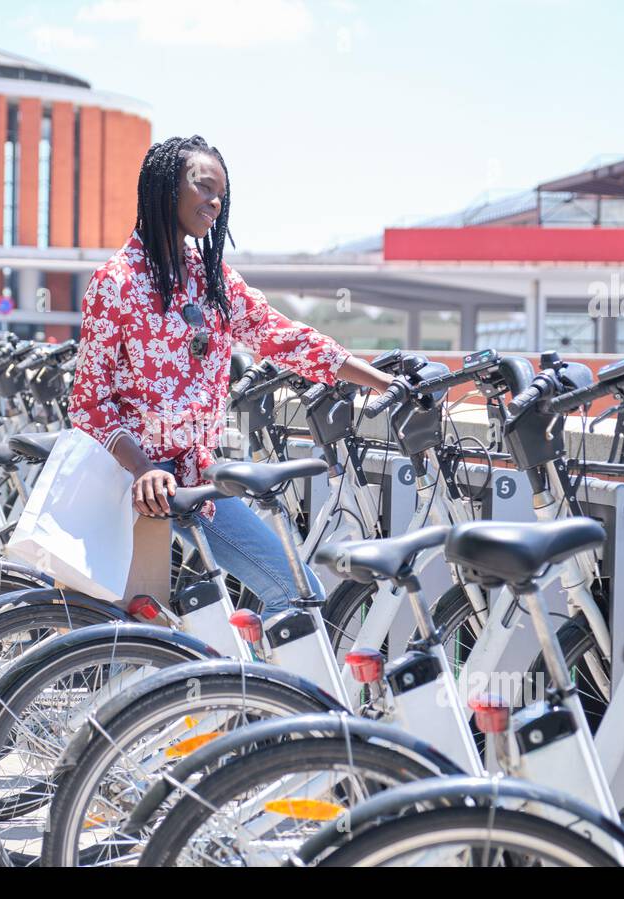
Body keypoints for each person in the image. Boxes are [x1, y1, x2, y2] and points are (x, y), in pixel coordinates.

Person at [68, 134, 394, 617]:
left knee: (296, 594)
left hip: (195, 480)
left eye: (222, 193)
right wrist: (143, 468)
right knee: (121, 639)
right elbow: (88, 402)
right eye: (203, 187)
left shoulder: (211, 277)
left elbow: (284, 337)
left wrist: (380, 381)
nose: (215, 202)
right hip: (127, 483)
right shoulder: (117, 282)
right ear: (165, 188)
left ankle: (254, 692)